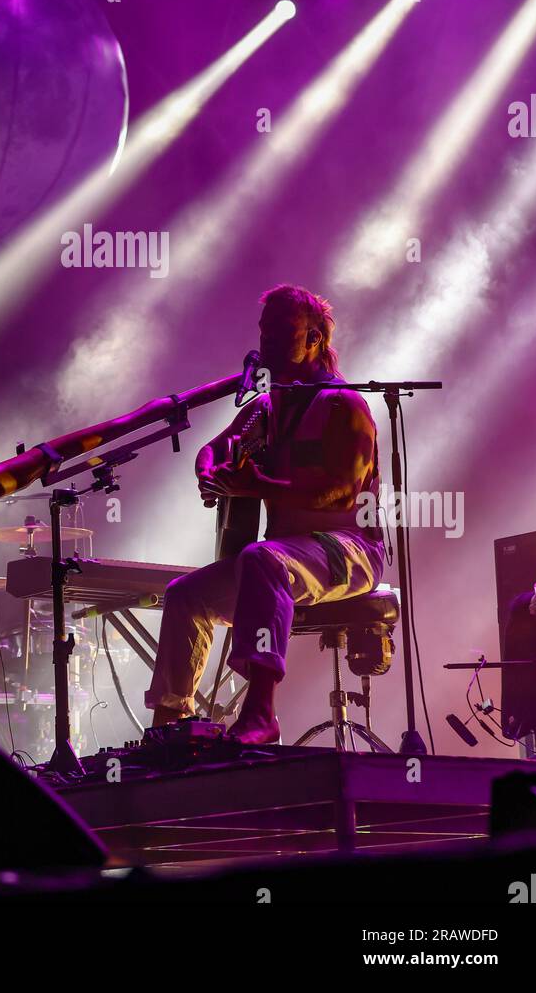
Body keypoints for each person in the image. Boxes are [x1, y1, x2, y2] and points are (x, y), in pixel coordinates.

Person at [145, 283, 385, 744]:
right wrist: (210, 469)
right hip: (288, 558)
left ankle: (261, 713)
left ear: (315, 339)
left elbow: (340, 494)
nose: (266, 342)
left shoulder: (345, 405)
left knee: (260, 558)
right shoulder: (268, 409)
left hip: (349, 552)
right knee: (185, 595)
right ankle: (171, 723)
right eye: (263, 331)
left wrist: (258, 486)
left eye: (280, 331)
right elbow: (215, 448)